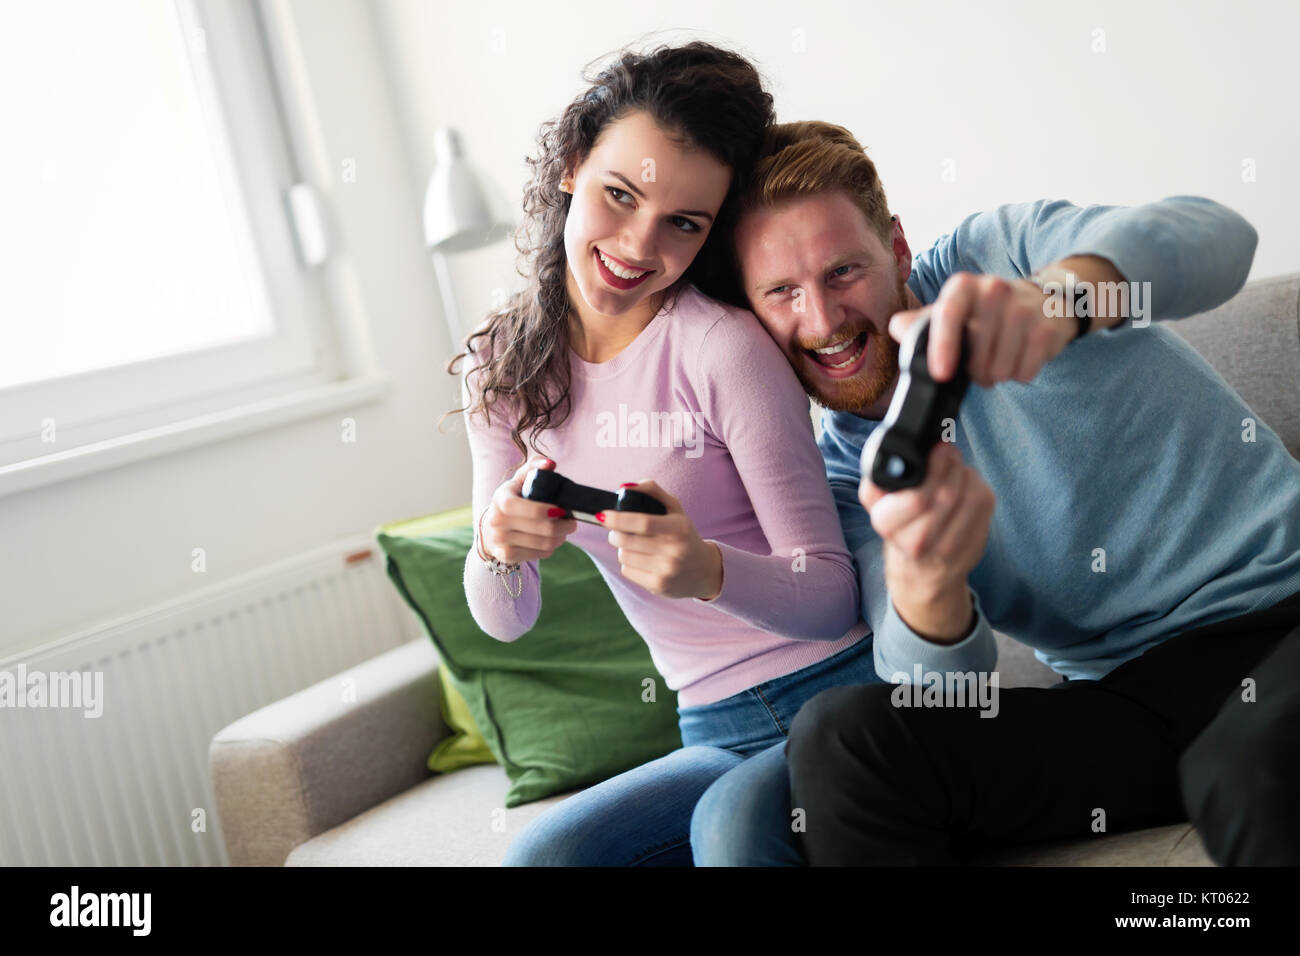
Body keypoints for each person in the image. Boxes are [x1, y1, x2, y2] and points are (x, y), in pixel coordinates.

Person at [690, 120, 1300, 865]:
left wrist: (1059, 299)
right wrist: (929, 582)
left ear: (897, 248)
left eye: (842, 272)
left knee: (1242, 771)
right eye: (782, 292)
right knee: (840, 739)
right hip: (1128, 708)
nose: (821, 320)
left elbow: (1220, 237)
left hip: (1281, 622)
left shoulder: (996, 258)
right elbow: (944, 696)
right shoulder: (850, 480)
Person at [451, 45, 880, 866]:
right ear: (573, 165)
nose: (639, 245)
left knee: (736, 842)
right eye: (621, 195)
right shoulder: (501, 367)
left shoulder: (722, 350)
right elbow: (505, 622)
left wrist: (707, 571)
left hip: (836, 698)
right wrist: (496, 546)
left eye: (684, 222)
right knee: (541, 861)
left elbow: (831, 594)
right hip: (710, 731)